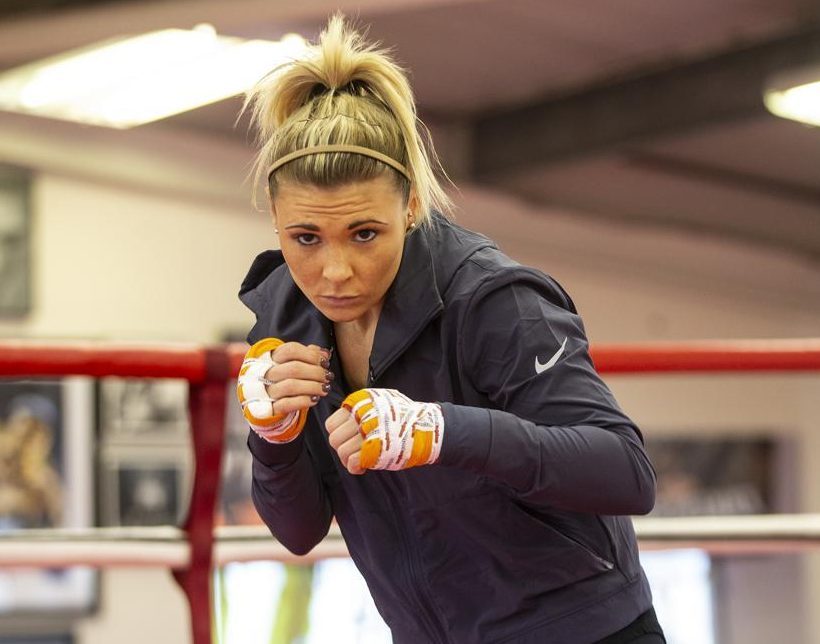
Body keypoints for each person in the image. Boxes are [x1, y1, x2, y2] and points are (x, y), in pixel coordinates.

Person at [236, 14, 666, 644]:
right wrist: (273, 438)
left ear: (411, 204)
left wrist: (442, 430)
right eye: (305, 238)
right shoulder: (286, 320)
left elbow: (626, 473)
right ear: (274, 218)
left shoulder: (491, 299)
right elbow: (299, 532)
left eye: (364, 233)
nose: (335, 271)